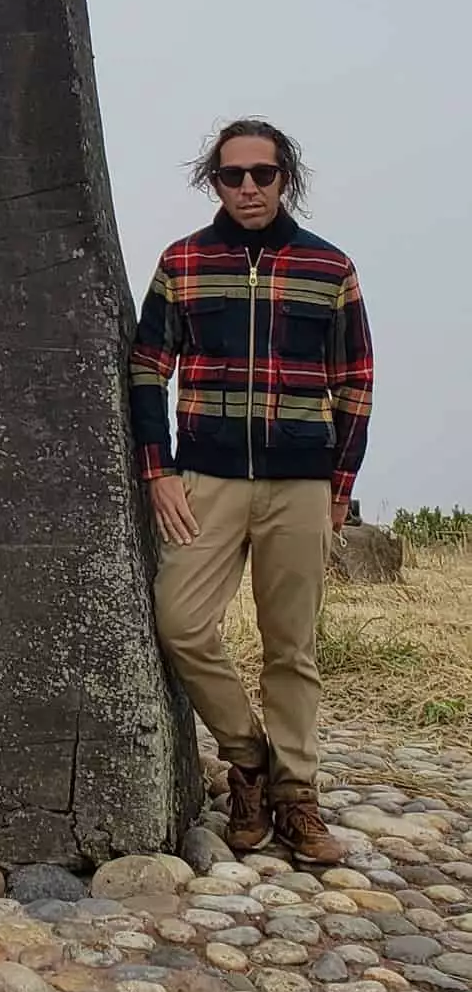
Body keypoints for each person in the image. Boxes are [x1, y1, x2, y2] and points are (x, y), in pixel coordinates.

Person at [129, 118, 373, 871]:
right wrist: (158, 469)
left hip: (299, 482)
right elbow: (146, 366)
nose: (247, 188)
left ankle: (297, 799)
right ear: (215, 182)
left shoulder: (329, 269)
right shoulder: (184, 263)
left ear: (284, 178)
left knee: (291, 648)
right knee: (181, 624)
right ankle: (250, 763)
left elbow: (355, 383)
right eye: (232, 176)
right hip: (206, 479)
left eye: (261, 174)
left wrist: (340, 488)